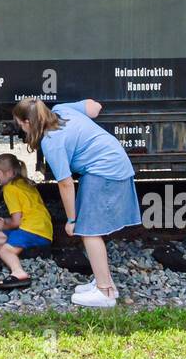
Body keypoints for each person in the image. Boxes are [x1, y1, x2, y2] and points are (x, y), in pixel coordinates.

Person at [13, 97, 141, 308]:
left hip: (104, 171)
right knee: (90, 229)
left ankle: (105, 293)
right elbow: (95, 107)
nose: (21, 129)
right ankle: (106, 283)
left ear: (28, 122)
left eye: (20, 124)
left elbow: (65, 184)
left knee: (89, 230)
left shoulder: (51, 141)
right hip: (112, 162)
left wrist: (72, 219)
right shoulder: (62, 110)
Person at [0, 153, 53, 291]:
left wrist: (3, 225)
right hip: (43, 231)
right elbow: (22, 217)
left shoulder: (9, 189)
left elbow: (16, 223)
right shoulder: (24, 183)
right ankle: (29, 250)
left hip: (31, 230)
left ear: (9, 172)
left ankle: (18, 273)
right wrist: (3, 222)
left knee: (4, 252)